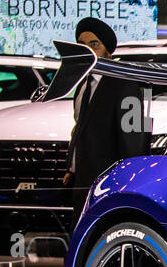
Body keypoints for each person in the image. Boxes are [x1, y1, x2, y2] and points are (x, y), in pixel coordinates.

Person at [63, 17, 149, 195]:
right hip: (81, 180)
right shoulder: (83, 85)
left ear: (108, 51)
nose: (88, 51)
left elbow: (133, 141)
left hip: (109, 183)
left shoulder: (126, 85)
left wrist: (127, 182)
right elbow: (80, 129)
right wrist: (71, 167)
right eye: (82, 45)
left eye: (94, 44)